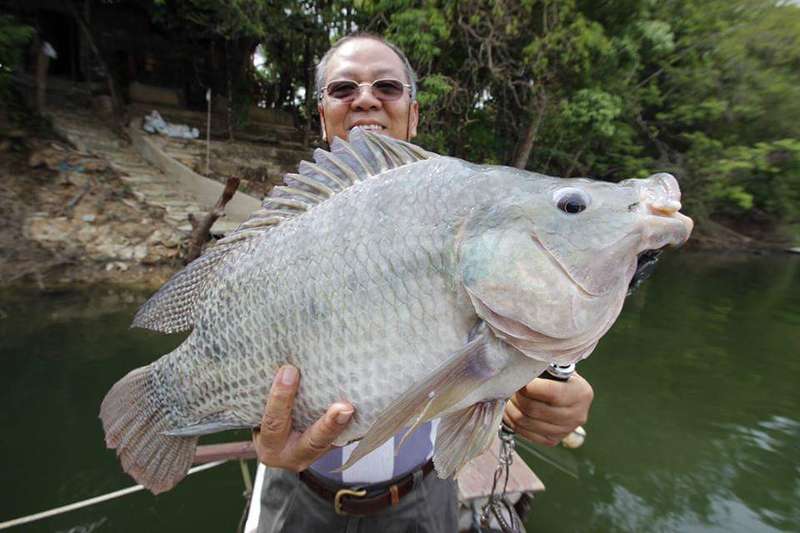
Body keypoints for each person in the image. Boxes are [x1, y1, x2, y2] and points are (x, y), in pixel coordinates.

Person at [244, 33, 595, 533]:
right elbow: (248, 359)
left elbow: (511, 340)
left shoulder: (468, 215)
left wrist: (555, 388)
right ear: (323, 114)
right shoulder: (278, 232)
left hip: (422, 494)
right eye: (343, 89)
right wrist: (265, 433)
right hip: (297, 490)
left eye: (387, 86)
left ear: (413, 113)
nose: (365, 98)